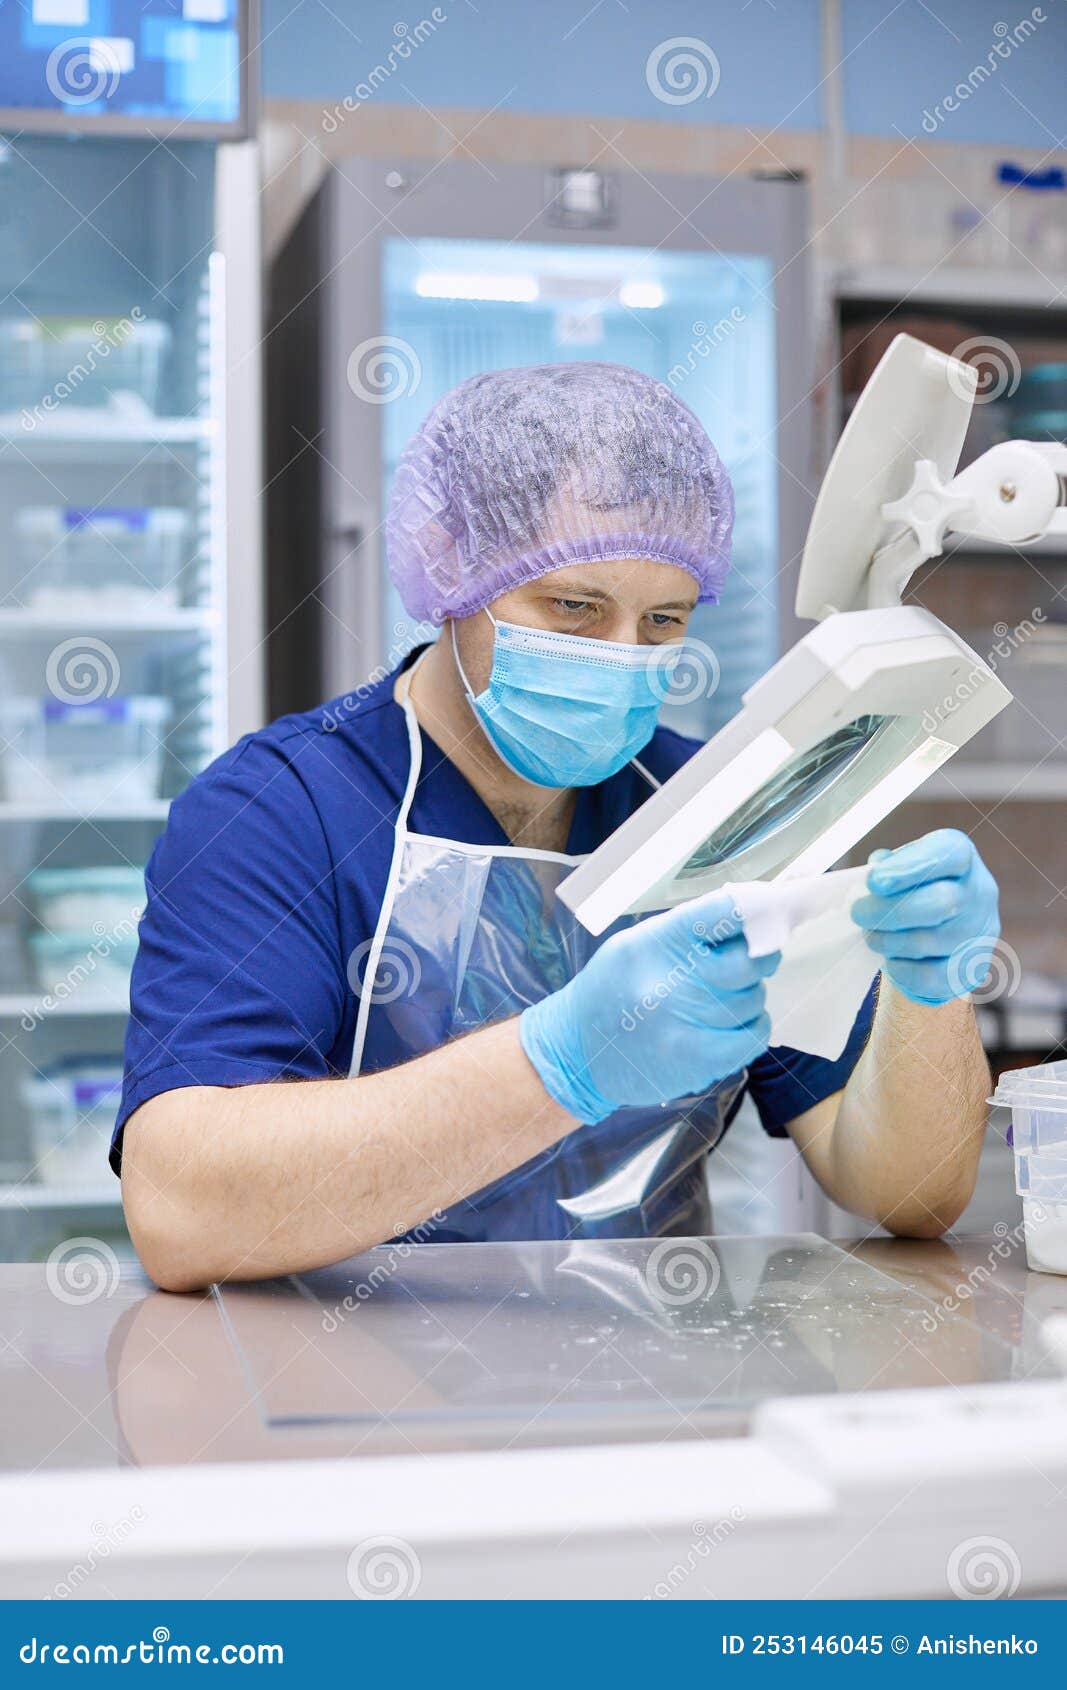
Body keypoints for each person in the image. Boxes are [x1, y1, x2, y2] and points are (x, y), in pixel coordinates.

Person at [117, 363, 1000, 1291]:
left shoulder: (717, 803)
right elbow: (185, 1214)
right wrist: (561, 1061)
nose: (620, 659)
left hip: (653, 1376)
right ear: (452, 565)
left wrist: (929, 988)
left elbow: (908, 1194)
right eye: (573, 609)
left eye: (662, 621)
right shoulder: (284, 808)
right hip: (349, 1383)